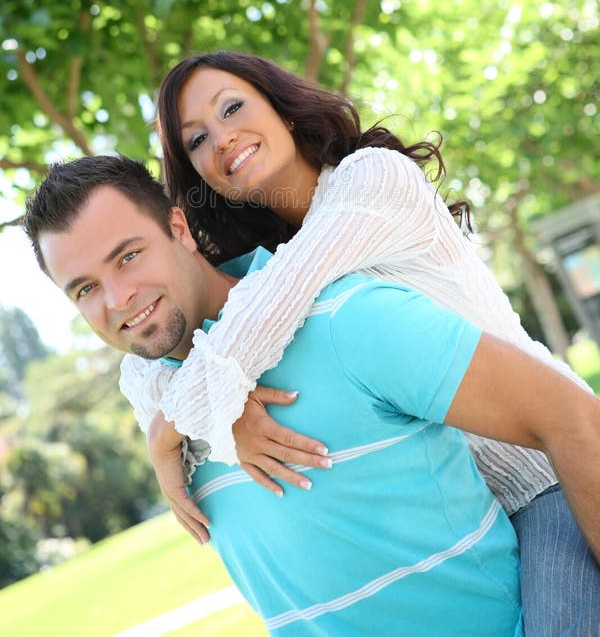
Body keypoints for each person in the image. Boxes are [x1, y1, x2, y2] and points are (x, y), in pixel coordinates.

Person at [119, 51, 600, 636]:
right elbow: (151, 360)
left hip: (550, 470)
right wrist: (211, 401)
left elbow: (257, 316)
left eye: (233, 108)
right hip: (472, 515)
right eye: (196, 140)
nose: (222, 139)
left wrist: (175, 424)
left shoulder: (371, 181)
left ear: (280, 105)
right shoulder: (268, 266)